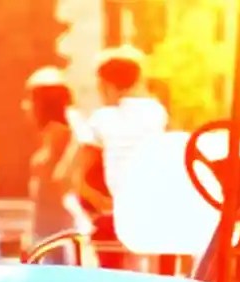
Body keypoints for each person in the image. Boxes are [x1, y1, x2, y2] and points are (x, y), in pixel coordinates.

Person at [70, 46, 168, 241]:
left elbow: (76, 175)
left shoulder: (101, 118)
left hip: (116, 212)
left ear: (105, 84)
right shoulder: (157, 113)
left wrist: (100, 203)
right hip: (152, 207)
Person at [22, 66, 90, 264]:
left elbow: (65, 185)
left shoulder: (66, 139)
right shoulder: (53, 140)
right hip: (45, 243)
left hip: (59, 245)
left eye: (30, 100)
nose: (25, 106)